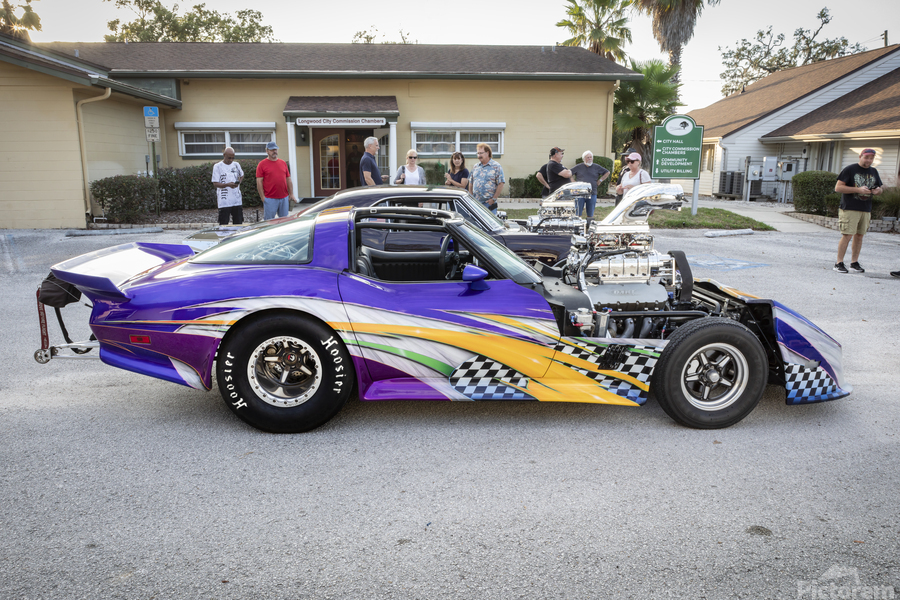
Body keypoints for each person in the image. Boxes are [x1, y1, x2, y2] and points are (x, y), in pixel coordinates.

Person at [833, 148, 884, 273]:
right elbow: (838, 188)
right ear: (860, 156)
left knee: (859, 236)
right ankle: (839, 263)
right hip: (850, 208)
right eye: (866, 157)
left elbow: (879, 189)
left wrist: (878, 191)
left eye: (871, 158)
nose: (869, 160)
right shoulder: (850, 169)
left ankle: (854, 262)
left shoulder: (874, 171)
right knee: (847, 235)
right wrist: (858, 190)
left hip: (865, 209)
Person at [570, 150, 610, 230]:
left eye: (591, 157)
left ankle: (589, 228)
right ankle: (578, 227)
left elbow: (607, 172)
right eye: (587, 157)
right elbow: (569, 173)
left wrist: (600, 180)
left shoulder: (596, 167)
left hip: (592, 192)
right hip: (580, 193)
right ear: (584, 159)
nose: (589, 159)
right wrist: (573, 182)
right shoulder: (579, 167)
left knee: (590, 213)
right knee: (578, 212)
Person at [255, 142, 296, 220]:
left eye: (275, 149)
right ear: (267, 151)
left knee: (284, 221)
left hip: (284, 198)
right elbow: (259, 182)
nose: (274, 151)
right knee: (269, 222)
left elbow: (288, 179)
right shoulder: (262, 164)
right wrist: (263, 197)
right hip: (270, 198)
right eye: (272, 150)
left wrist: (291, 194)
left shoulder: (283, 163)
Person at [468, 143, 505, 214]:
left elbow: (501, 183)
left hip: (488, 204)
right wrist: (471, 197)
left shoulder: (496, 166)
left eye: (481, 153)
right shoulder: (475, 167)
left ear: (487, 153)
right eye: (478, 153)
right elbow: (471, 182)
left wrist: (493, 199)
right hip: (476, 204)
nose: (479, 156)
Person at [211, 146, 244, 225]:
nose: (231, 160)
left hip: (236, 200)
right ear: (224, 155)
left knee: (238, 224)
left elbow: (242, 175)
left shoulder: (236, 164)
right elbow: (215, 183)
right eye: (229, 158)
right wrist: (227, 185)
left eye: (233, 158)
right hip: (224, 201)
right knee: (224, 224)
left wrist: (238, 182)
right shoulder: (217, 166)